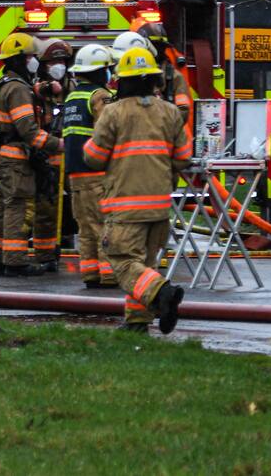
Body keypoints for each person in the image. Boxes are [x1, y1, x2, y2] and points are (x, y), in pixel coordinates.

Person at [84, 47, 191, 334]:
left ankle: (161, 293)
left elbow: (93, 156)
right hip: (159, 205)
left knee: (122, 261)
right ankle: (137, 321)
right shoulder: (170, 112)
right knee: (144, 262)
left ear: (122, 81)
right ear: (154, 80)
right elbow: (183, 157)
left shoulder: (113, 112)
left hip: (125, 204)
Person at [0, 32, 63, 277]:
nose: (34, 61)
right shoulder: (18, 90)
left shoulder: (5, 84)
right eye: (30, 56)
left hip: (4, 158)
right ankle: (16, 262)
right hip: (17, 160)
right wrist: (57, 144)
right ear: (20, 59)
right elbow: (28, 131)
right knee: (18, 208)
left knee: (3, 207)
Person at [62, 43, 116, 288]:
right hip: (97, 173)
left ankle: (91, 274)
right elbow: (109, 131)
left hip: (75, 174)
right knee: (105, 225)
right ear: (98, 71)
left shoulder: (73, 97)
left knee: (85, 227)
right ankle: (109, 275)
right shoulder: (100, 97)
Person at [29, 39, 73, 271]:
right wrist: (46, 88)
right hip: (47, 155)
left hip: (72, 155)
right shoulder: (35, 87)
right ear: (43, 64)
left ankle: (80, 245)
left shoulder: (73, 85)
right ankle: (45, 254)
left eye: (63, 61)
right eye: (54, 61)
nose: (59, 65)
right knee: (45, 207)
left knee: (83, 205)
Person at [134, 21, 192, 126]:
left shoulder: (174, 77)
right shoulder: (129, 74)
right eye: (154, 46)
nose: (157, 51)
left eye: (160, 47)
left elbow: (183, 112)